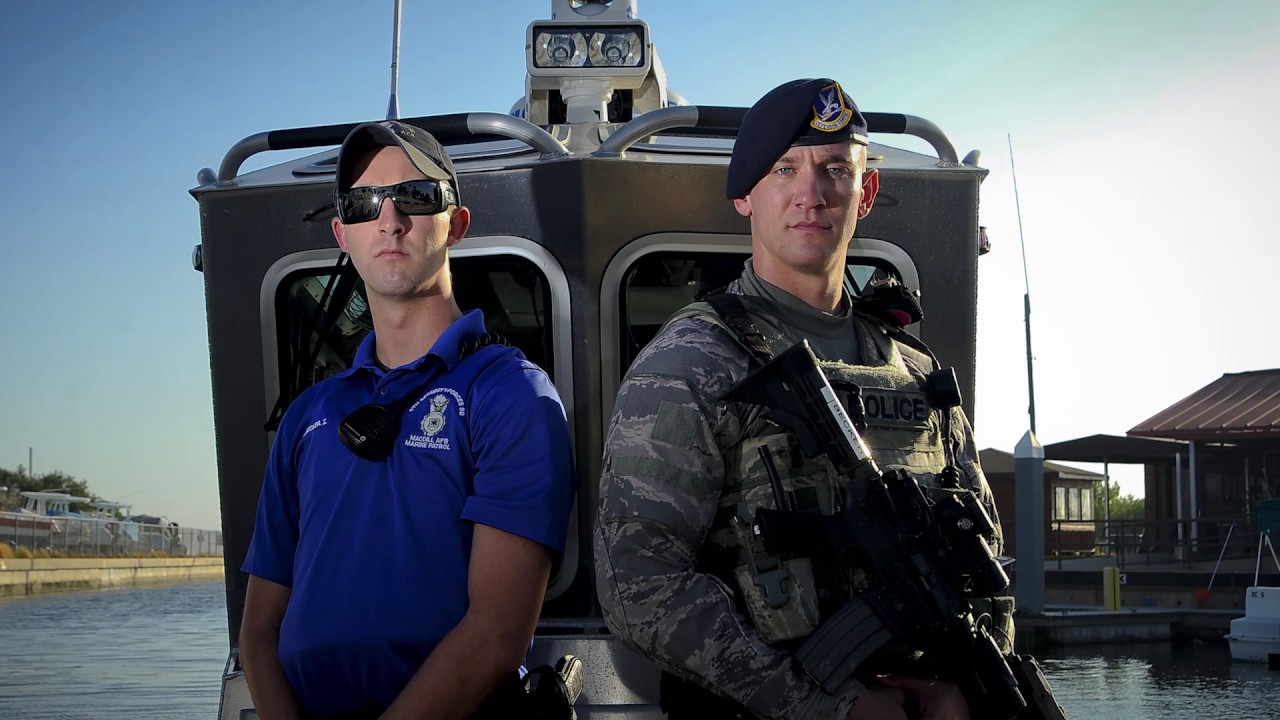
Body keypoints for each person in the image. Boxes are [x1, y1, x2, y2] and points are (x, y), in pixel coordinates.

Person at [594, 79, 1010, 720]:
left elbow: (983, 556)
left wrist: (969, 685)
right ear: (744, 195)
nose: (811, 195)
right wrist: (828, 707)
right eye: (784, 168)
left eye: (835, 170)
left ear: (865, 193)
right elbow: (637, 586)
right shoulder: (692, 362)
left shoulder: (919, 372)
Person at [240, 120, 577, 720]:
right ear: (343, 233)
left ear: (457, 223)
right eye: (364, 204)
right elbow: (259, 629)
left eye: (417, 197)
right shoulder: (306, 418)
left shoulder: (511, 395)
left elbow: (497, 634)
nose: (390, 219)